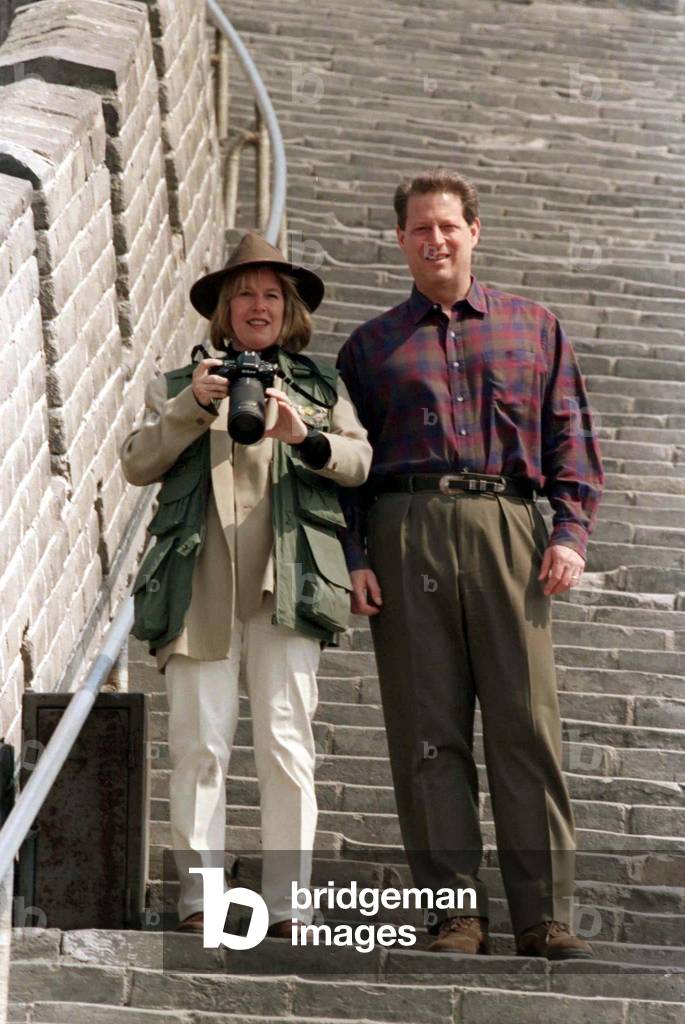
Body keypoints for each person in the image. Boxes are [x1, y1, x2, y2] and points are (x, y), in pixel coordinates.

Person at [336, 169, 604, 960]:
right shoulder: (369, 346)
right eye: (419, 228)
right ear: (400, 240)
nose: (434, 239)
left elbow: (571, 440)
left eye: (447, 225)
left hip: (506, 529)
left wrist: (568, 534)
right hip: (403, 526)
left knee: (526, 726)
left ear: (474, 230)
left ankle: (543, 916)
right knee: (427, 733)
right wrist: (354, 556)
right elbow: (346, 467)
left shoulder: (532, 327)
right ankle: (453, 915)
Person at [121, 232, 372, 936]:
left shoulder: (320, 386)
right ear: (222, 312)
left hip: (286, 578)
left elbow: (357, 461)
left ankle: (289, 901)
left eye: (269, 294)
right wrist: (193, 407)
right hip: (197, 577)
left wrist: (304, 437)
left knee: (286, 741)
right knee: (199, 742)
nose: (256, 306)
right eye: (242, 295)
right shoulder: (179, 384)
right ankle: (201, 896)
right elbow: (137, 463)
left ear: (287, 309)